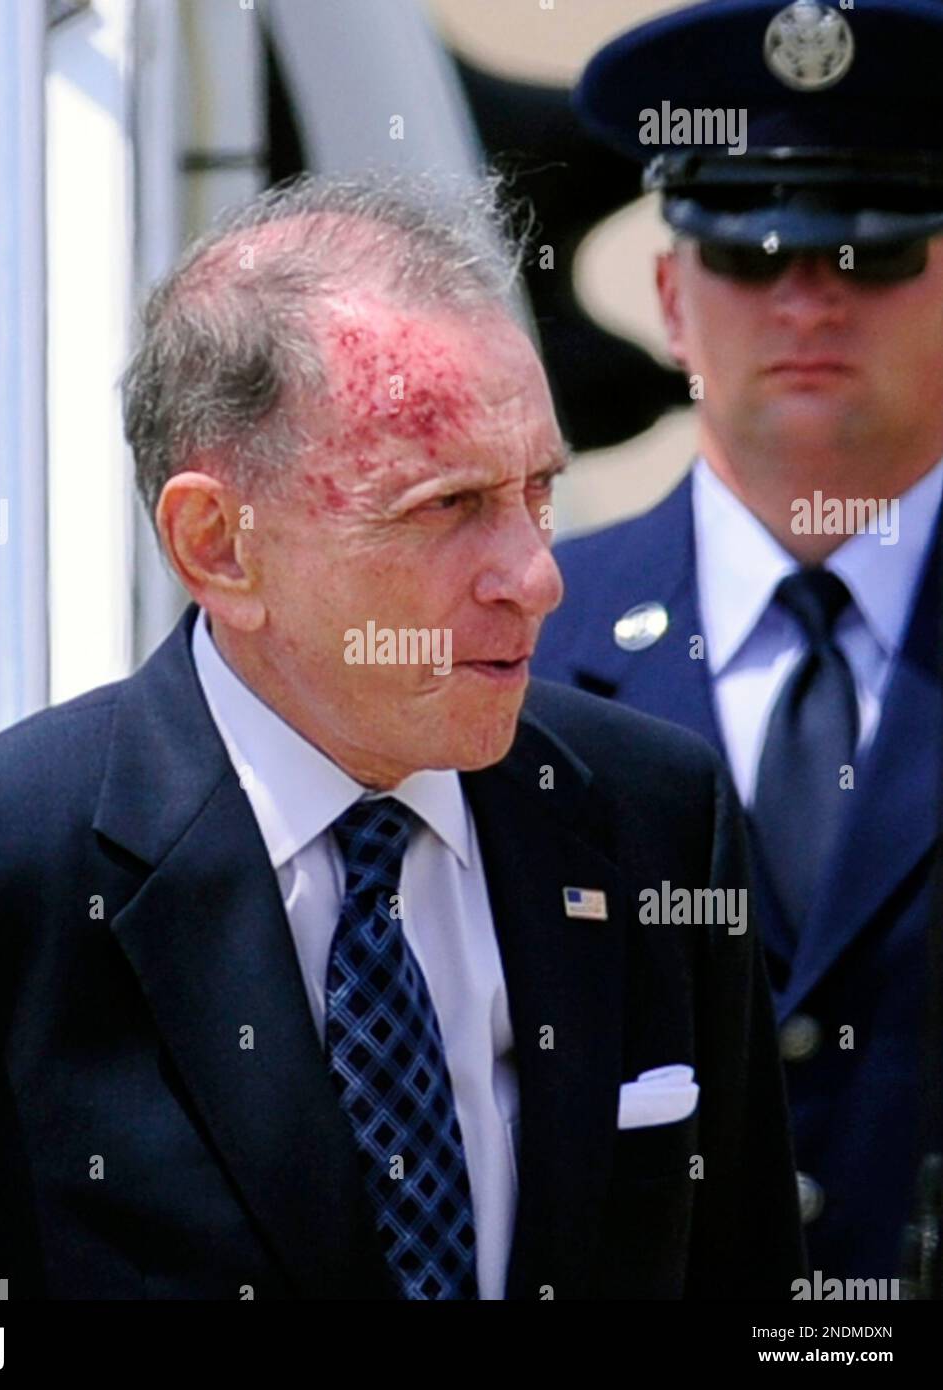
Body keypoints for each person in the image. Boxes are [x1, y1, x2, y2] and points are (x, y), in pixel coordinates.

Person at [0, 172, 803, 1300]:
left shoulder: (651, 813)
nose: (536, 576)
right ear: (219, 545)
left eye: (537, 492)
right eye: (445, 506)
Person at [534, 0, 943, 1283]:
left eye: (869, 253)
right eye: (749, 250)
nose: (806, 297)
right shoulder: (517, 645)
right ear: (668, 294)